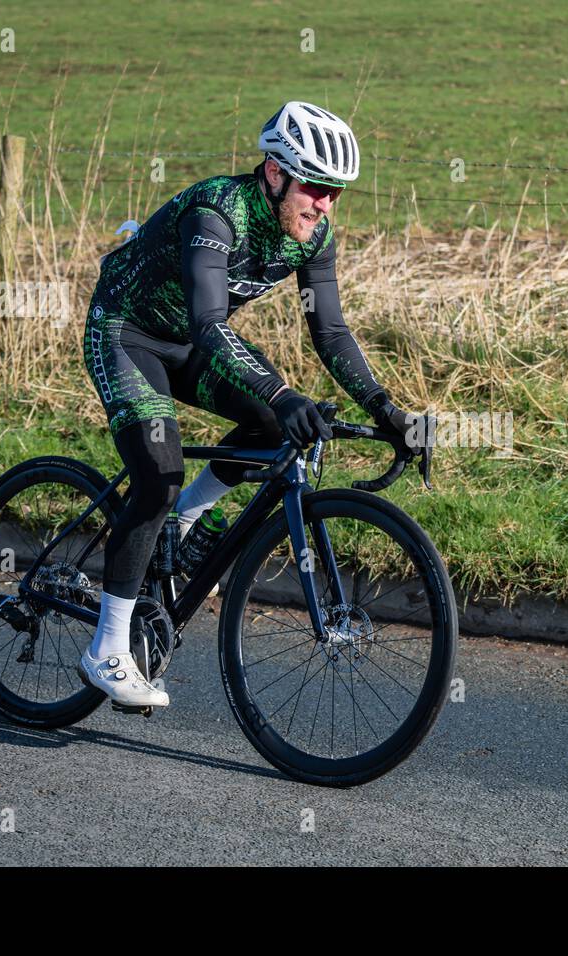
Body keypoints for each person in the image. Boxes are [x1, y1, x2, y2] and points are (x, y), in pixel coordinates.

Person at [79, 101, 418, 708]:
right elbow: (211, 322)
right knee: (157, 472)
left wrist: (387, 412)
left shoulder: (311, 235)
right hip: (127, 332)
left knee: (272, 426)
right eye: (315, 187)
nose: (325, 204)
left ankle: (184, 519)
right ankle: (107, 649)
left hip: (187, 343)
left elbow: (331, 333)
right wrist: (283, 393)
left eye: (336, 193)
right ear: (274, 173)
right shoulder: (218, 213)